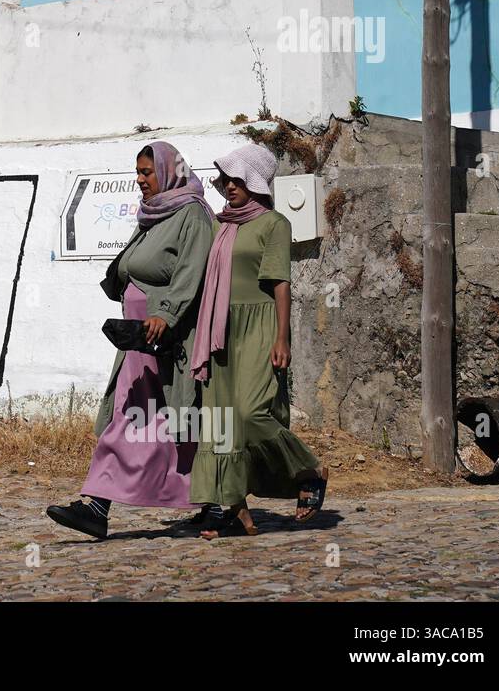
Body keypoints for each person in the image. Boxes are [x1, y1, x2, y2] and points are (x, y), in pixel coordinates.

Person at [46, 142, 213, 540]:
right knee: (132, 416)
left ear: (168, 171)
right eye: (138, 173)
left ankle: (213, 502)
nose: (140, 181)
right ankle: (99, 507)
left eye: (147, 173)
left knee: (177, 420)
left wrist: (166, 313)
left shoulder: (192, 214)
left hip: (168, 340)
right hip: (138, 342)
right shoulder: (154, 215)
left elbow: (193, 271)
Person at [189, 143, 329, 539]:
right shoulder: (220, 224)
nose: (229, 186)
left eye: (238, 179)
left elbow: (280, 283)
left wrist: (282, 337)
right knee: (221, 424)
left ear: (255, 183)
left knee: (251, 415)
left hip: (259, 326)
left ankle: (309, 470)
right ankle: (236, 512)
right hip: (219, 329)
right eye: (227, 179)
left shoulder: (274, 224)